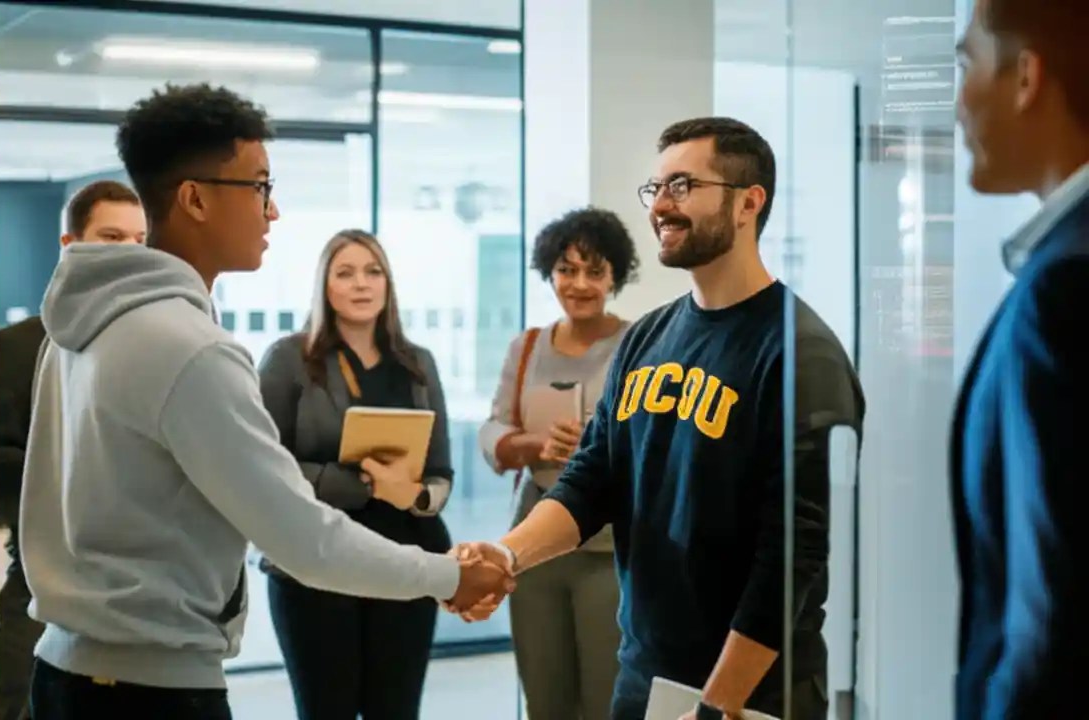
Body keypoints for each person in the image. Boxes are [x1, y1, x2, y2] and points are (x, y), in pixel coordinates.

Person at [18, 83, 511, 720]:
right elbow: (304, 538)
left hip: (66, 671)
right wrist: (450, 576)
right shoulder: (192, 348)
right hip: (148, 691)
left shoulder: (77, 326)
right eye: (259, 187)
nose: (271, 212)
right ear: (194, 197)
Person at [452, 117, 865, 720]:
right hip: (645, 676)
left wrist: (715, 704)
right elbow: (592, 480)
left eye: (681, 186)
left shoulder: (802, 353)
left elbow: (793, 557)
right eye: (656, 189)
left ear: (749, 203)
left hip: (750, 696)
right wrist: (507, 556)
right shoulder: (648, 338)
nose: (661, 207)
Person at [0, 179, 145, 720]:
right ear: (71, 246)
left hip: (141, 595)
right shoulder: (16, 347)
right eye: (111, 236)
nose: (128, 253)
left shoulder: (161, 345)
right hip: (41, 586)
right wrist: (78, 474)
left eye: (139, 240)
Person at [951, 2, 1089, 717]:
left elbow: (1052, 613)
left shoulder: (1065, 285)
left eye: (966, 64)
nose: (958, 102)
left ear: (1027, 75)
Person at [257, 229, 454, 720]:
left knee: (397, 710)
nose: (361, 284)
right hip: (316, 563)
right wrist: (360, 484)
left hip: (407, 559)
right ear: (324, 286)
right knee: (327, 710)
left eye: (373, 271)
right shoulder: (289, 360)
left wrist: (413, 494)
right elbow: (263, 466)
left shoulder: (417, 364)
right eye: (344, 273)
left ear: (388, 284)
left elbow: (440, 472)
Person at [478, 207, 638, 720]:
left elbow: (661, 441)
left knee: (605, 695)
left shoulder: (641, 343)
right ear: (549, 273)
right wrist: (533, 446)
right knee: (545, 695)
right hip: (536, 536)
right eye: (567, 270)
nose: (580, 283)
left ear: (617, 274)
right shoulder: (526, 347)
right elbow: (493, 429)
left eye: (595, 270)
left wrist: (601, 445)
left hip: (609, 542)